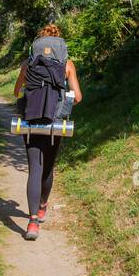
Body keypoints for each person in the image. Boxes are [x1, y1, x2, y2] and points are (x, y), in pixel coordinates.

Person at [13, 24, 81, 241]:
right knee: (48, 166)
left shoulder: (28, 63)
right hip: (56, 120)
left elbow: (16, 92)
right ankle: (42, 206)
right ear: (59, 42)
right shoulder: (67, 64)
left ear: (38, 43)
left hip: (31, 120)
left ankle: (33, 223)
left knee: (35, 168)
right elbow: (78, 97)